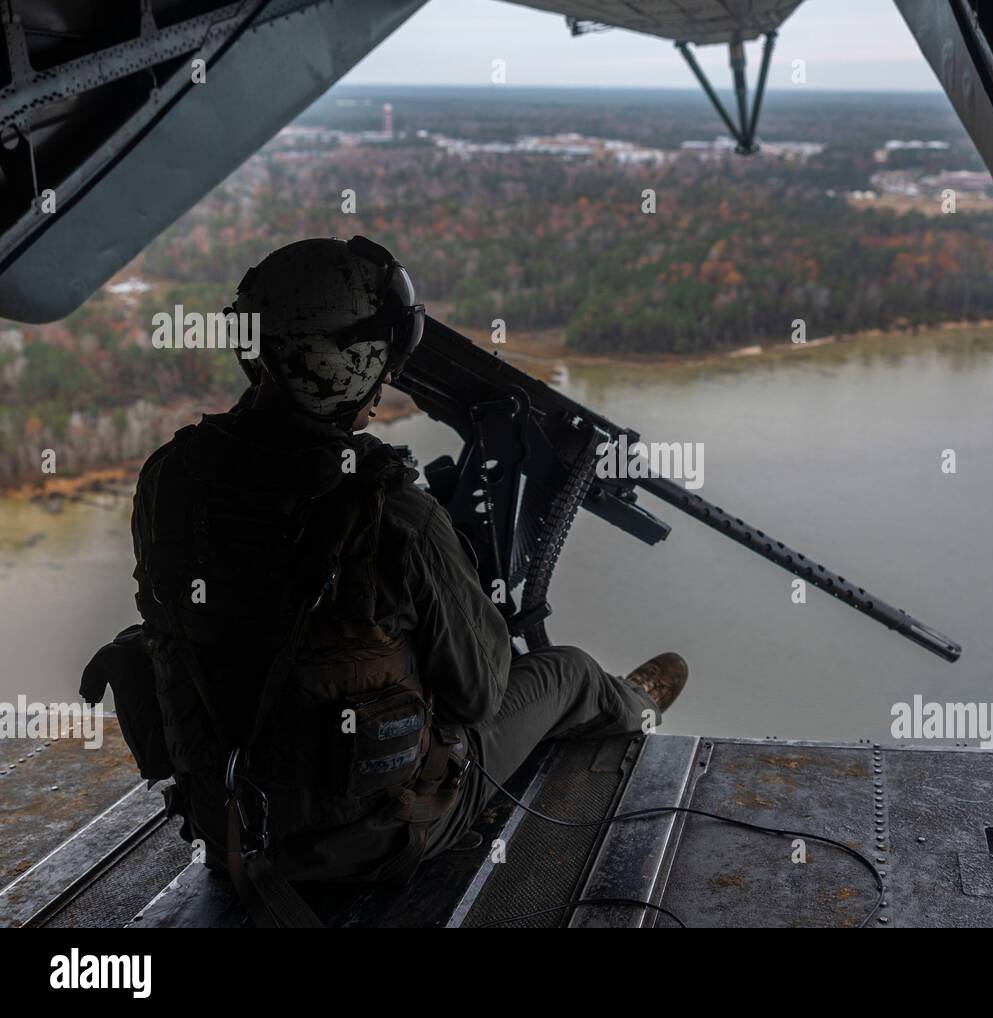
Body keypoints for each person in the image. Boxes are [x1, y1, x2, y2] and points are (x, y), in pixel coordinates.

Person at [126, 235, 687, 920]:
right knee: (568, 671)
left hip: (229, 829)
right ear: (357, 364)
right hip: (372, 839)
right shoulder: (392, 510)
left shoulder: (170, 479)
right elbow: (477, 695)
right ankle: (634, 706)